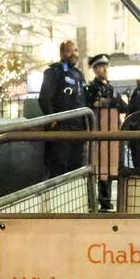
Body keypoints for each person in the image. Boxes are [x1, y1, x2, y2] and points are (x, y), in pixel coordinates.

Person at [37, 40, 90, 177]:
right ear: (62, 53)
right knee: (59, 167)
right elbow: (44, 98)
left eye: (76, 50)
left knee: (76, 167)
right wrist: (52, 120)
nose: (74, 54)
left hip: (78, 129)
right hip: (61, 128)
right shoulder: (54, 72)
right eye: (69, 50)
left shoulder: (79, 75)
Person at [85, 54, 127, 210]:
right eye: (102, 66)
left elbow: (123, 107)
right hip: (101, 133)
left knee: (110, 166)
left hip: (112, 134)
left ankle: (106, 198)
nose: (105, 69)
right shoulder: (91, 89)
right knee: (101, 167)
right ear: (95, 69)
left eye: (106, 66)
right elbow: (92, 105)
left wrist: (109, 101)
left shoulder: (110, 88)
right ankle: (103, 199)